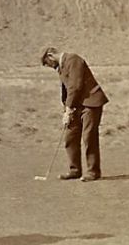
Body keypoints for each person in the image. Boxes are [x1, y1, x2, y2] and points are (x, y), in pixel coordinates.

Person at [41, 48, 109, 182]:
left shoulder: (73, 60)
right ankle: (75, 170)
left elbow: (75, 86)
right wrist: (66, 110)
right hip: (77, 105)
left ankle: (93, 172)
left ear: (50, 55)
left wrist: (68, 108)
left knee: (89, 136)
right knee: (70, 136)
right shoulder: (61, 67)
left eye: (48, 63)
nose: (50, 67)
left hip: (91, 103)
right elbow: (66, 90)